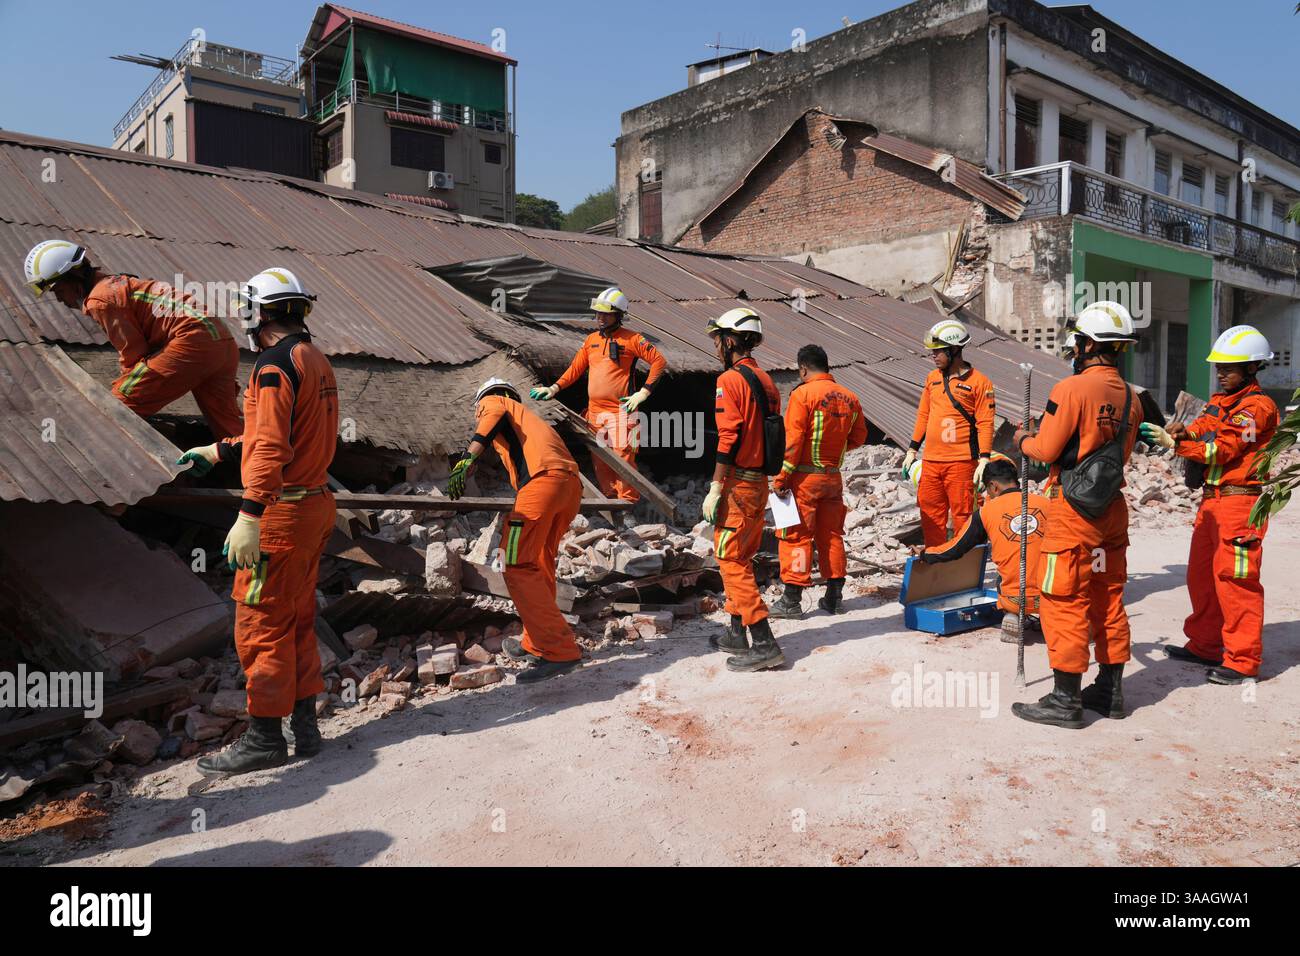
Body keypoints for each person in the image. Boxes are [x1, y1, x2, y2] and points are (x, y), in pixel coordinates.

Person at [187, 268, 339, 775]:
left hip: (280, 512)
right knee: (295, 616)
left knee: (259, 622)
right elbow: (273, 432)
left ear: (258, 312)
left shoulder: (272, 366)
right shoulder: (312, 359)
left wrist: (249, 513)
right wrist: (219, 448)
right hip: (314, 502)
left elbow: (272, 445)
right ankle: (306, 728)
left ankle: (265, 738)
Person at [1011, 301, 1143, 728]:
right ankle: (1110, 690)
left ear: (1087, 344)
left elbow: (1047, 451)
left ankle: (1065, 700)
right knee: (1107, 596)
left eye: (1078, 344)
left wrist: (1023, 438)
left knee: (1064, 598)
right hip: (1111, 510)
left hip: (1072, 512)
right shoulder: (1132, 398)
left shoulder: (1071, 390)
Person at [1141, 325, 1279, 684]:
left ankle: (1243, 661)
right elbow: (1205, 423)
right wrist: (1181, 431)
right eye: (1218, 366)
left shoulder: (1257, 409)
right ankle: (1204, 644)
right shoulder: (1223, 401)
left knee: (1236, 582)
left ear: (1252, 368)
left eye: (1228, 367)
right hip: (1212, 502)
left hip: (1240, 503)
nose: (1220, 372)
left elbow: (1224, 448)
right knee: (1201, 576)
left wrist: (1175, 447)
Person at [23, 239, 242, 439]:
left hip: (192, 341)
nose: (60, 299)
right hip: (221, 340)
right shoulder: (117, 284)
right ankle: (271, 477)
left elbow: (133, 355)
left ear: (74, 277)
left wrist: (124, 386)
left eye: (58, 290)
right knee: (228, 426)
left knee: (117, 407)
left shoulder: (101, 299)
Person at [448, 378, 585, 683]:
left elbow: (490, 413)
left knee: (512, 562)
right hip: (569, 489)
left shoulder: (496, 401)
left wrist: (468, 457)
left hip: (540, 488)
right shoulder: (531, 423)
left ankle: (560, 651)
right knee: (539, 563)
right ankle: (536, 642)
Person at [703, 307, 785, 672]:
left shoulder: (729, 380)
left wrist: (715, 485)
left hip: (737, 484)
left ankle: (763, 641)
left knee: (730, 560)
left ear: (731, 340)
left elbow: (729, 435)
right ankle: (736, 632)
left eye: (719, 339)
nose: (717, 346)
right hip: (759, 485)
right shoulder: (766, 381)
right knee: (744, 556)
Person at [530, 287, 667, 504]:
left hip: (622, 411)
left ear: (619, 315)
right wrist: (553, 388)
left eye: (606, 313)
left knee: (623, 457)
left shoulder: (633, 339)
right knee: (600, 460)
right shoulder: (591, 340)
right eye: (598, 313)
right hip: (595, 413)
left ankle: (627, 505)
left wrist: (643, 392)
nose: (600, 318)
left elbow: (659, 362)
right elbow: (575, 369)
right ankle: (611, 503)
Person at [769, 344, 867, 618]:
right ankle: (834, 597)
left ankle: (791, 600)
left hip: (804, 479)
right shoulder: (851, 397)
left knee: (796, 536)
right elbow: (858, 437)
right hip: (833, 478)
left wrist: (781, 477)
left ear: (802, 368)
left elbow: (794, 441)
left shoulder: (803, 395)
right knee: (832, 536)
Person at [918, 457, 1048, 641]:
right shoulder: (1046, 504)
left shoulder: (986, 513)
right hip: (1053, 595)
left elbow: (956, 548)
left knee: (1003, 574)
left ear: (994, 486)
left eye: (988, 490)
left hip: (1015, 598)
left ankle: (1013, 615)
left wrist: (926, 554)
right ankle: (1049, 619)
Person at [902, 319, 996, 547]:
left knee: (963, 515)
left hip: (962, 463)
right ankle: (936, 558)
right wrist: (912, 450)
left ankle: (962, 565)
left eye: (938, 352)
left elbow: (985, 422)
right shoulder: (932, 379)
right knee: (930, 515)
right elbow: (923, 415)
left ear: (955, 350)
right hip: (931, 462)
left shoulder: (980, 383)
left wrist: (984, 459)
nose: (933, 357)